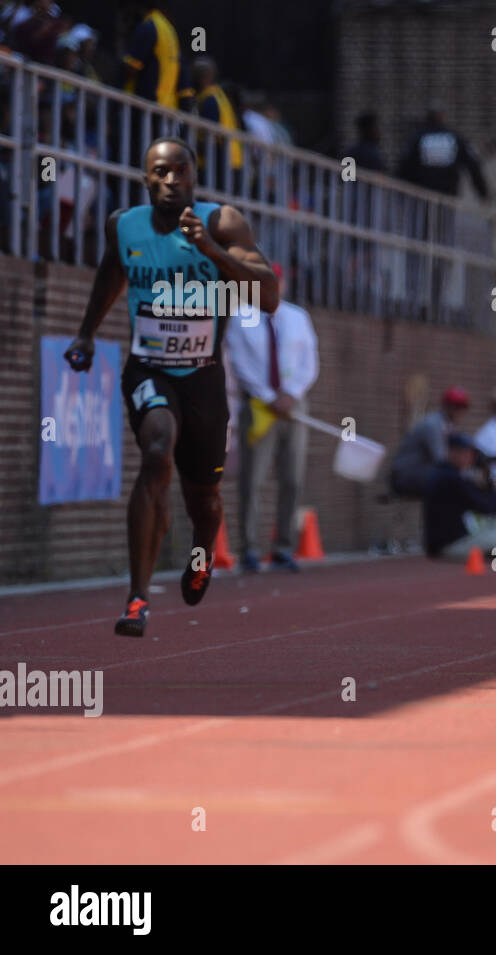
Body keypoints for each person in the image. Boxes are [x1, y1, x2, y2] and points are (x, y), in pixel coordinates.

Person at [64, 137, 279, 637]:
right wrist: (86, 332)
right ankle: (138, 597)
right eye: (160, 172)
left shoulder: (222, 222)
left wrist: (208, 249)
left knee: (203, 500)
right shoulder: (125, 225)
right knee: (157, 451)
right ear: (145, 179)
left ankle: (202, 556)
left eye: (180, 171)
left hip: (203, 378)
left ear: (194, 176)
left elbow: (267, 295)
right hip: (149, 369)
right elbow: (111, 277)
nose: (170, 180)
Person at [225, 286, 319, 573]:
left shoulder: (297, 317)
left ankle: (284, 547)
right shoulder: (243, 317)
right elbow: (240, 362)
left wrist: (291, 393)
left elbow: (309, 361)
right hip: (259, 406)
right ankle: (249, 548)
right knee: (252, 479)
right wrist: (268, 396)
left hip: (293, 405)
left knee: (292, 478)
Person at [388, 386, 469, 496]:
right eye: (456, 407)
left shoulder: (446, 425)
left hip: (418, 472)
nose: (459, 411)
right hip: (405, 475)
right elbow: (440, 459)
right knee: (453, 482)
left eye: (461, 407)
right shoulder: (433, 425)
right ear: (447, 406)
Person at [398, 108, 487, 199]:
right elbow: (472, 165)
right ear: (443, 118)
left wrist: (400, 193)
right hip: (448, 193)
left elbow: (405, 165)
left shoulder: (418, 138)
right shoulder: (454, 137)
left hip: (423, 194)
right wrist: (483, 192)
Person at [121, 2, 191, 111]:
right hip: (166, 110)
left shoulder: (150, 26)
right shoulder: (170, 31)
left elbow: (130, 69)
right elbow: (184, 84)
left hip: (148, 107)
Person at [192, 56, 243, 192]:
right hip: (232, 161)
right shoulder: (219, 96)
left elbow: (211, 137)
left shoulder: (209, 100)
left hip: (221, 164)